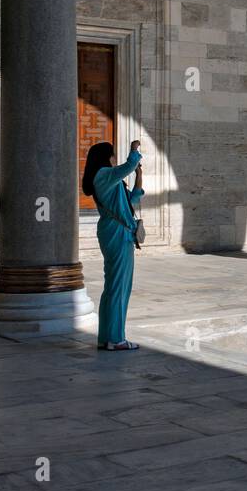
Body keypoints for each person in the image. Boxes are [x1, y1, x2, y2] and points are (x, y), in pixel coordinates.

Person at [81, 140, 144, 351]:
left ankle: (107, 338)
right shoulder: (104, 174)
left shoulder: (108, 178)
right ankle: (116, 339)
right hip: (117, 233)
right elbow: (128, 166)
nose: (114, 158)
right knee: (119, 287)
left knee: (114, 286)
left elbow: (131, 200)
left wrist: (139, 177)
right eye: (113, 154)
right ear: (106, 156)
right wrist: (134, 150)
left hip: (116, 232)